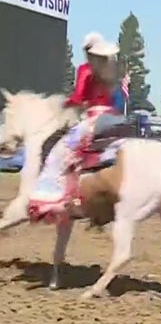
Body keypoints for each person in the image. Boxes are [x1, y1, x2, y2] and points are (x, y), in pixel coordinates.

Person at [28, 32, 124, 216]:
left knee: (59, 151)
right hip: (113, 118)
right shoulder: (111, 71)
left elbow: (79, 97)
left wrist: (63, 104)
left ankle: (51, 197)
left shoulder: (86, 70)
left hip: (93, 118)